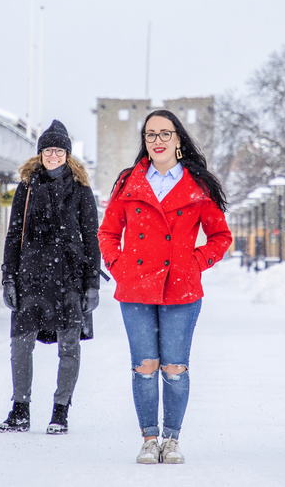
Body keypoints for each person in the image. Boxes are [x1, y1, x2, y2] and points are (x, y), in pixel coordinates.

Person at [98, 109, 233, 465]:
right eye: (150, 135)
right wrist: (118, 266)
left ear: (177, 140)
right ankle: (148, 439)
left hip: (181, 289)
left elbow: (220, 236)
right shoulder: (129, 181)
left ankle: (172, 440)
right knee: (144, 366)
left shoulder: (197, 184)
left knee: (174, 367)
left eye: (164, 134)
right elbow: (108, 232)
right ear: (144, 142)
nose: (157, 140)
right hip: (136, 288)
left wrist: (194, 263)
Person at [0, 120, 101, 435]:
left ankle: (60, 411)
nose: (53, 155)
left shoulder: (81, 190)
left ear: (67, 154)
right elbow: (13, 235)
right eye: (47, 150)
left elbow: (91, 238)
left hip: (70, 279)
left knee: (69, 346)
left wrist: (92, 284)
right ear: (40, 153)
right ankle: (20, 410)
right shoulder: (26, 188)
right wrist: (8, 278)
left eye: (58, 150)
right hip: (30, 278)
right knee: (20, 345)